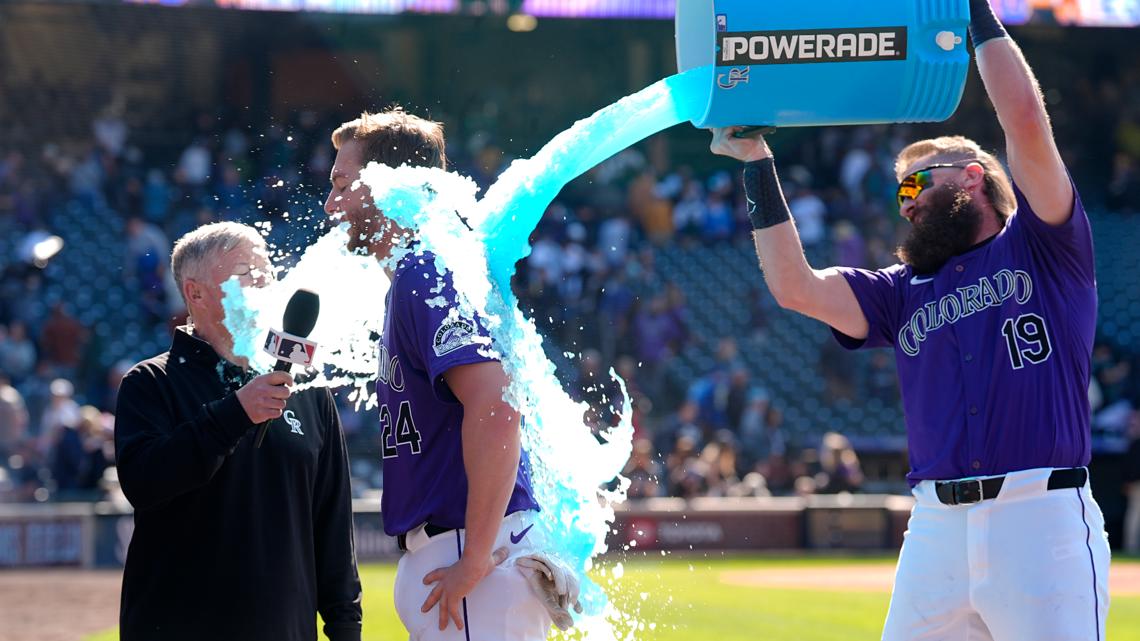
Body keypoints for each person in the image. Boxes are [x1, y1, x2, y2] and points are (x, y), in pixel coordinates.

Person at [711, 1, 1109, 638]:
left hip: (1041, 519)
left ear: (974, 178)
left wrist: (971, 9)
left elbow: (1027, 123)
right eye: (899, 193)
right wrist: (758, 165)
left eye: (917, 183)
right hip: (936, 532)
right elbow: (793, 287)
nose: (908, 202)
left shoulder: (1046, 246)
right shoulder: (903, 291)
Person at [324, 109, 573, 640]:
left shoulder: (425, 270)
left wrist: (477, 556)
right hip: (457, 551)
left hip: (467, 551)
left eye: (342, 185)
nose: (330, 204)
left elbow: (496, 408)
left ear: (388, 187)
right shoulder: (420, 271)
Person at [113, 222, 362, 641]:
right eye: (247, 273)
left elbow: (331, 519)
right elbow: (144, 482)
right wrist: (234, 414)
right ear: (195, 293)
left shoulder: (306, 389)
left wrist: (344, 624)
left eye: (268, 272)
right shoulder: (151, 382)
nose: (264, 283)